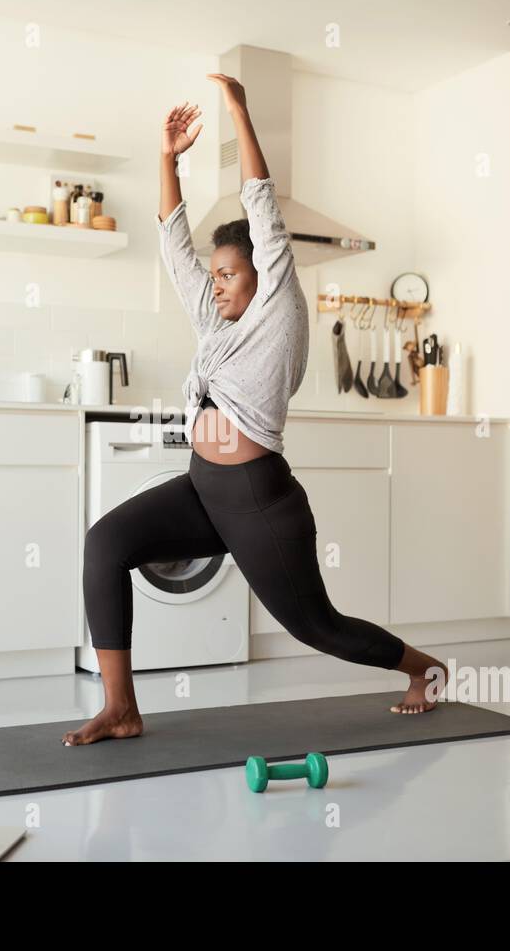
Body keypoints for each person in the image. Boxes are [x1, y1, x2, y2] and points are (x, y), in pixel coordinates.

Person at [63, 74, 449, 747]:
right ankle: (120, 707)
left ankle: (426, 669)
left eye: (229, 272)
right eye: (214, 273)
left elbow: (262, 208)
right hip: (202, 489)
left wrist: (240, 111)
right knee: (106, 543)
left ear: (262, 274)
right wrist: (166, 159)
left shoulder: (279, 311)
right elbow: (172, 246)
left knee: (315, 625)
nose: (215, 282)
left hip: (257, 500)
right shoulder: (216, 320)